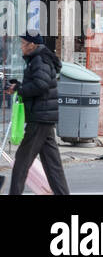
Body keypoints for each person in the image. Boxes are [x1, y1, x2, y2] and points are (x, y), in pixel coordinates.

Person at [6, 32, 70, 196]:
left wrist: (20, 89)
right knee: (52, 165)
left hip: (40, 117)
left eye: (23, 43)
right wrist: (18, 86)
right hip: (44, 117)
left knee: (21, 161)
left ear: (32, 45)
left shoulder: (39, 60)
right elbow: (40, 83)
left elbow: (41, 85)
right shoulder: (40, 58)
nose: (21, 46)